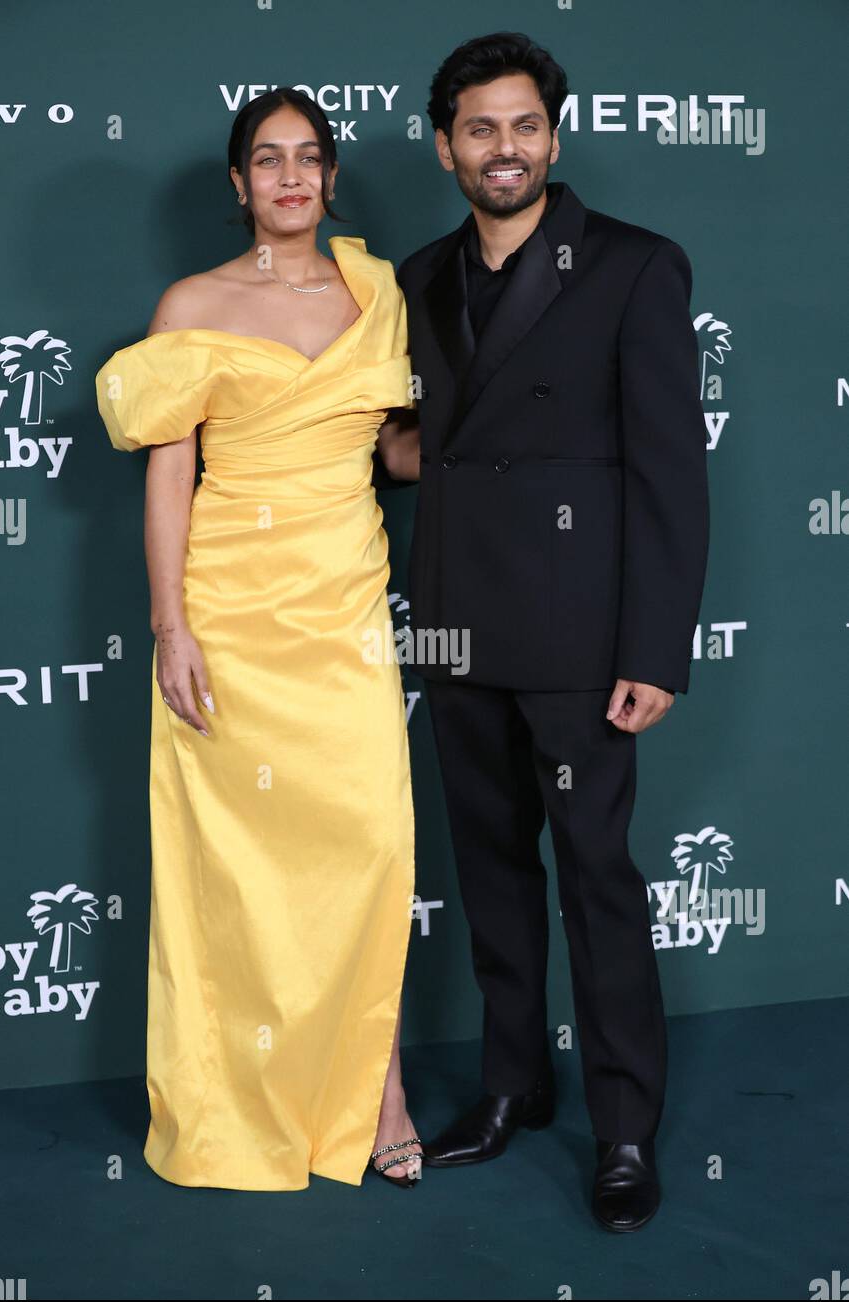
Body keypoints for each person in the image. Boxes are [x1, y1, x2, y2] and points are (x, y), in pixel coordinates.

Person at [387, 32, 709, 1229]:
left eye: (523, 126)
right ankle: (509, 1087)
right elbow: (409, 444)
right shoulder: (416, 276)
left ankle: (624, 1128)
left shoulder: (632, 267)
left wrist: (653, 649)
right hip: (453, 627)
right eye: (479, 128)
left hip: (580, 635)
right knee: (488, 877)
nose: (502, 148)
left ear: (553, 139)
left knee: (596, 880)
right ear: (443, 146)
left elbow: (670, 473)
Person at [95, 89, 424, 1191]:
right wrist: (169, 624)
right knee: (232, 872)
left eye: (309, 158)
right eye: (267, 160)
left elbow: (399, 454)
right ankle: (234, 1100)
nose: (290, 176)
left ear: (332, 179)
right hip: (231, 611)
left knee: (370, 849)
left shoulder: (377, 295)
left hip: (342, 606)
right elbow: (170, 468)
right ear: (237, 184)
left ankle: (378, 1090)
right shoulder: (194, 300)